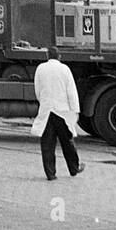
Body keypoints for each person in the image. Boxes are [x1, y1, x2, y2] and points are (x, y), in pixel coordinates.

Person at [32, 46, 85, 180]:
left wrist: (43, 102)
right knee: (67, 142)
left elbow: (37, 90)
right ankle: (74, 168)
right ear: (59, 56)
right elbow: (71, 91)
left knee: (47, 145)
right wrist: (75, 111)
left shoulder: (40, 69)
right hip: (62, 112)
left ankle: (50, 173)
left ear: (47, 56)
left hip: (47, 111)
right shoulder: (65, 69)